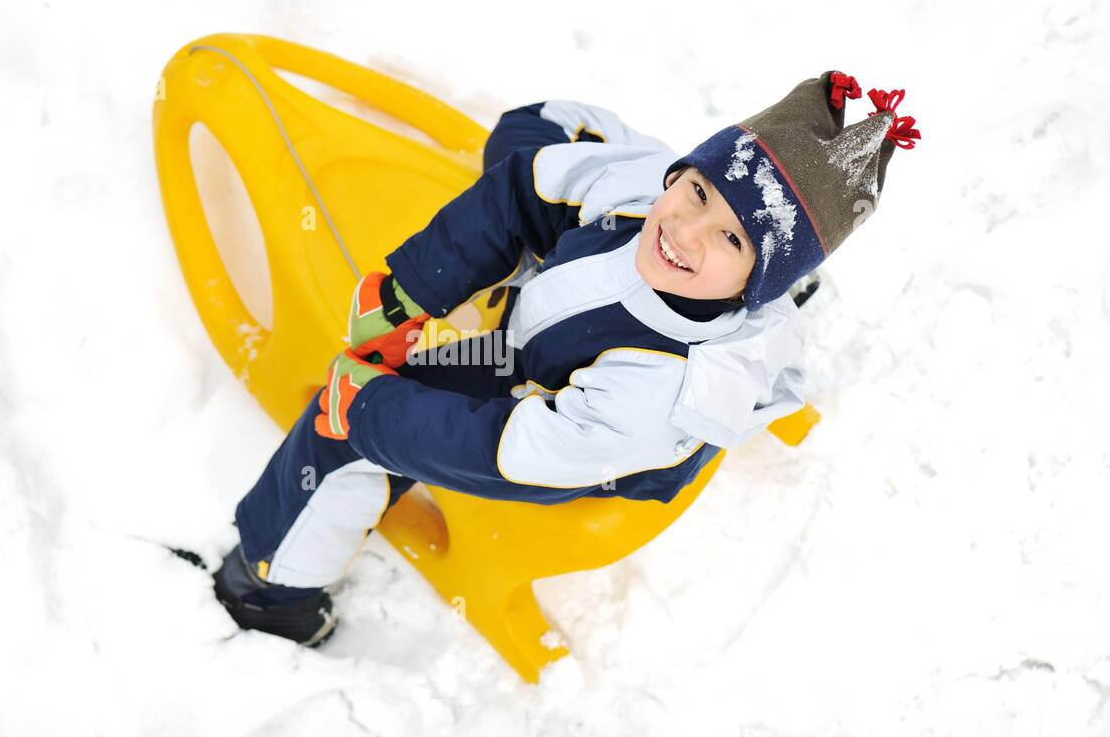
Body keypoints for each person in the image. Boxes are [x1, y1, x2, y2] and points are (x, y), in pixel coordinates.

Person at [205, 71, 921, 647]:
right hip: (574, 326)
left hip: (555, 410)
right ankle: (559, 268)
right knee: (527, 137)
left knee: (343, 424)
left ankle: (272, 592)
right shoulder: (649, 196)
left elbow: (510, 447)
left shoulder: (663, 385)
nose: (686, 229)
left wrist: (371, 410)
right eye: (697, 189)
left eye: (731, 239)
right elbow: (524, 185)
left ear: (755, 284)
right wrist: (408, 292)